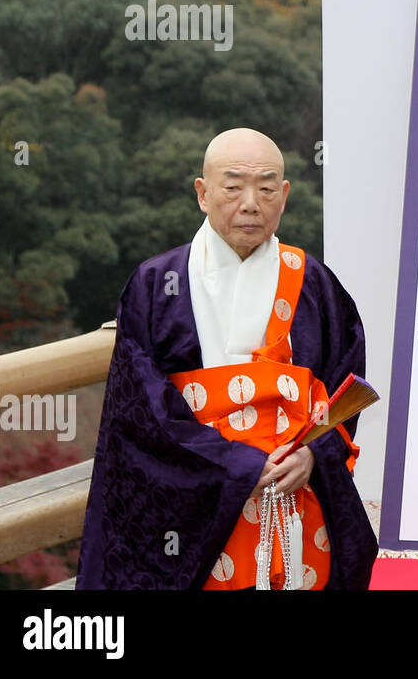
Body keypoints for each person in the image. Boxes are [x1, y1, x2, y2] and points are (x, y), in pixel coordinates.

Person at [78, 128, 377, 589]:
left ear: (285, 195)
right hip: (196, 507)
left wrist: (316, 454)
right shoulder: (157, 284)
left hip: (297, 494)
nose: (251, 203)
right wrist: (235, 465)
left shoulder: (314, 282)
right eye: (233, 186)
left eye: (266, 187)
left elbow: (345, 391)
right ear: (203, 193)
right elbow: (141, 414)